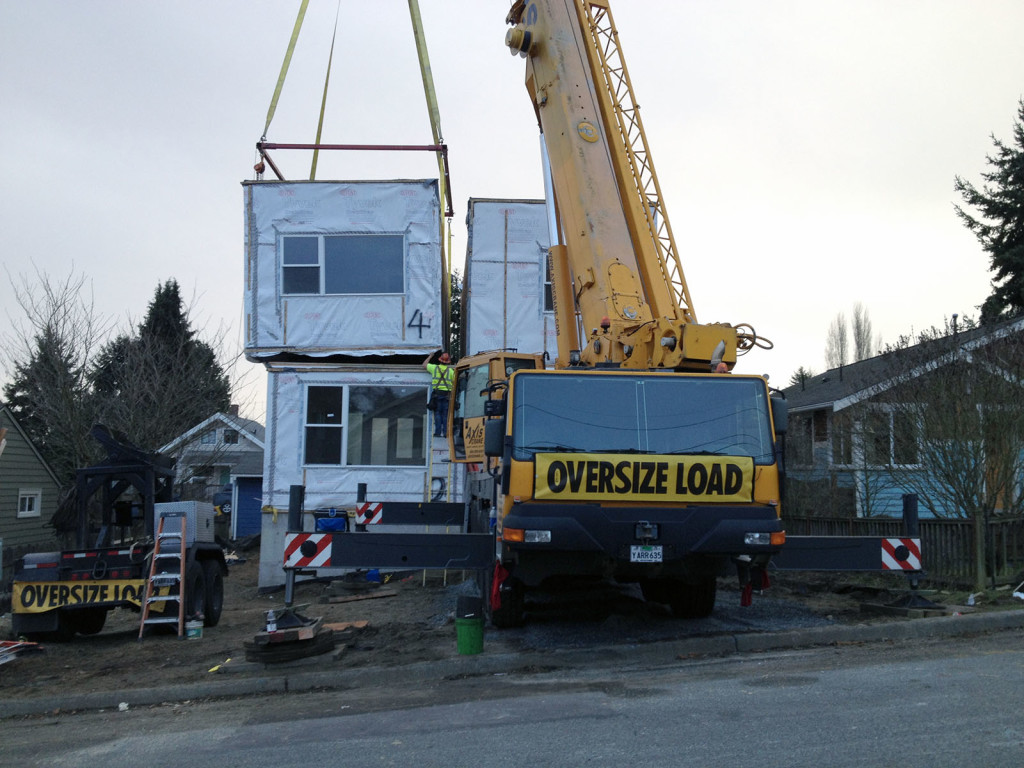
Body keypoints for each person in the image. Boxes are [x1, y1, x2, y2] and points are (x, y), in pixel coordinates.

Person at [423, 350, 453, 437]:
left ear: (440, 360)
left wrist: (430, 356)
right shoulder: (451, 371)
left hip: (437, 394)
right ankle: (446, 433)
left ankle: (438, 432)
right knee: (445, 414)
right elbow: (455, 381)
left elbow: (424, 365)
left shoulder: (435, 368)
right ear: (448, 362)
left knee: (438, 413)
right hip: (447, 395)